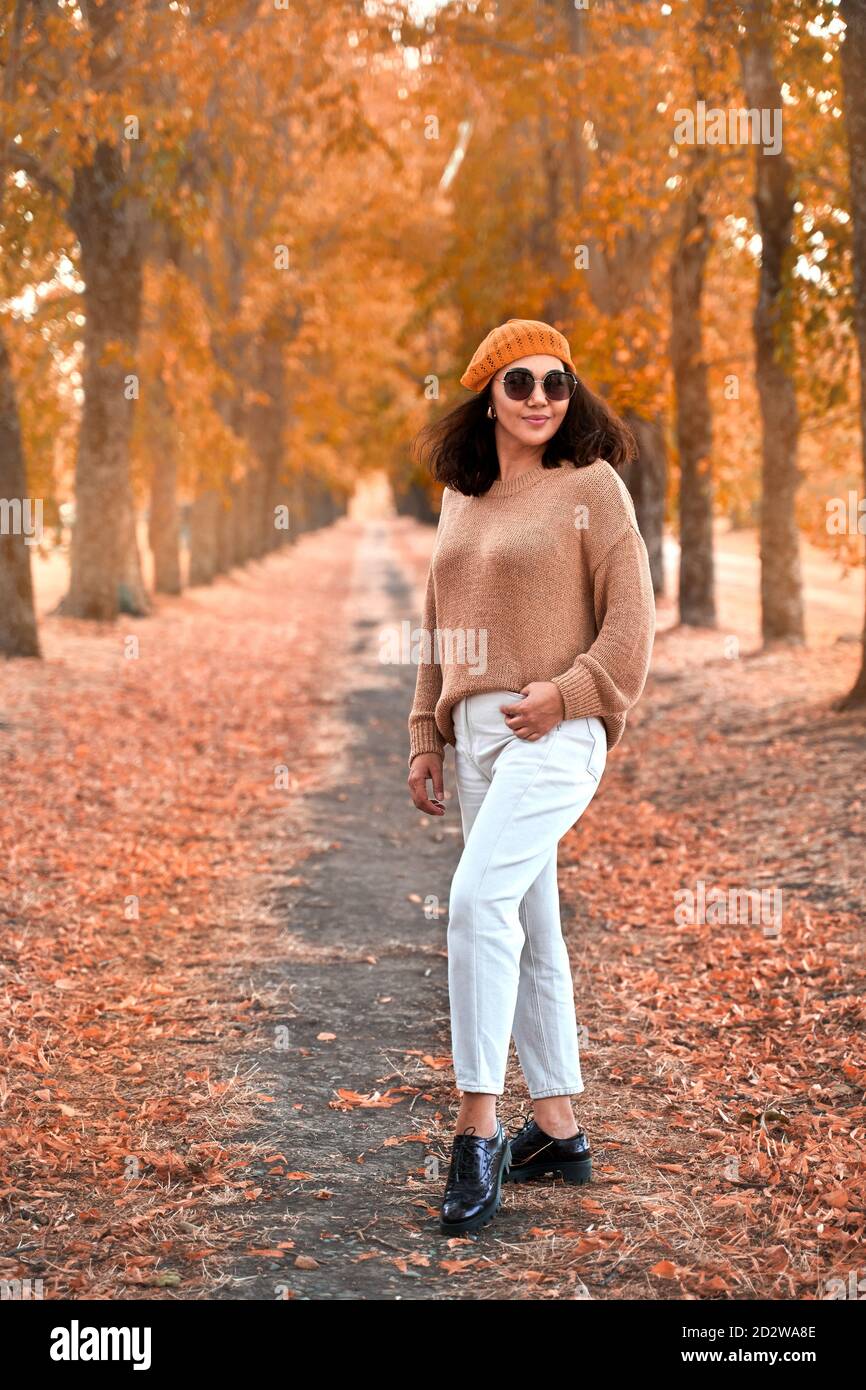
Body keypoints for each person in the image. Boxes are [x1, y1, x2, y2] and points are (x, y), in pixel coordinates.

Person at [406, 319, 656, 1235]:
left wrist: (570, 692)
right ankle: (558, 1129)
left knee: (475, 903)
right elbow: (439, 625)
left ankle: (477, 1131)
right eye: (521, 384)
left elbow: (632, 627)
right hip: (474, 735)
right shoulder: (461, 495)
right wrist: (423, 735)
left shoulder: (593, 488)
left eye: (557, 382)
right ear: (488, 397)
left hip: (558, 730)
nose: (543, 398)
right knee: (529, 922)